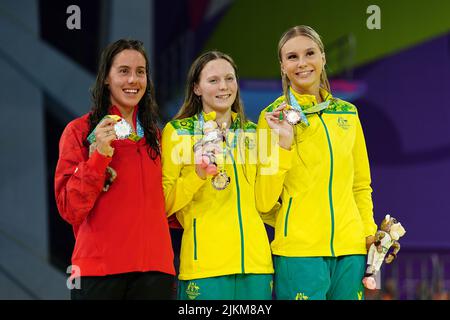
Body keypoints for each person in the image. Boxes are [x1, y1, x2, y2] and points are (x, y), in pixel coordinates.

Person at [256, 25, 377, 300]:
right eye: (292, 57)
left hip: (351, 252)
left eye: (310, 53)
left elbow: (360, 184)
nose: (302, 63)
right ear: (283, 66)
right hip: (300, 254)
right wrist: (295, 221)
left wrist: (367, 233)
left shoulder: (348, 113)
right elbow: (263, 201)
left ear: (323, 58)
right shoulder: (270, 119)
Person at [54, 39, 175, 300]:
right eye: (123, 71)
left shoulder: (158, 137)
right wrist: (98, 156)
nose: (133, 80)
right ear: (106, 78)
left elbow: (171, 206)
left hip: (156, 272)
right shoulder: (80, 132)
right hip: (99, 272)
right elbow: (70, 207)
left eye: (140, 72)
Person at [161, 51, 273, 300]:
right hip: (205, 268)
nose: (224, 87)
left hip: (256, 267)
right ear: (197, 88)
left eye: (229, 78)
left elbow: (267, 203)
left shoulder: (255, 134)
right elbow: (165, 203)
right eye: (213, 80)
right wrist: (197, 175)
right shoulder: (178, 132)